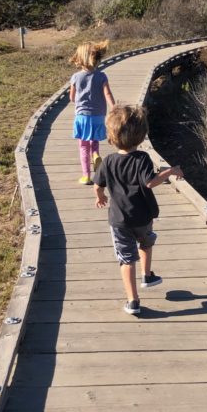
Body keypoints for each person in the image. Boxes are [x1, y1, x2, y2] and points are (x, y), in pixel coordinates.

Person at [94, 104, 183, 315]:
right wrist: (170, 171)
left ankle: (133, 300)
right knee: (146, 241)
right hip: (143, 216)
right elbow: (150, 182)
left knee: (126, 259)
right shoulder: (142, 158)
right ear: (142, 136)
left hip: (119, 221)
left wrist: (100, 197)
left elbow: (98, 185)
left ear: (111, 136)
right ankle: (147, 275)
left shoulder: (108, 161)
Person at [69, 40, 115, 185]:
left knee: (83, 145)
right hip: (98, 116)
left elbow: (71, 98)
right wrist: (114, 107)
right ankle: (95, 155)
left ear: (80, 58)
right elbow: (107, 94)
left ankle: (86, 176)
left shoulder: (76, 77)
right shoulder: (102, 76)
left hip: (82, 116)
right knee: (94, 142)